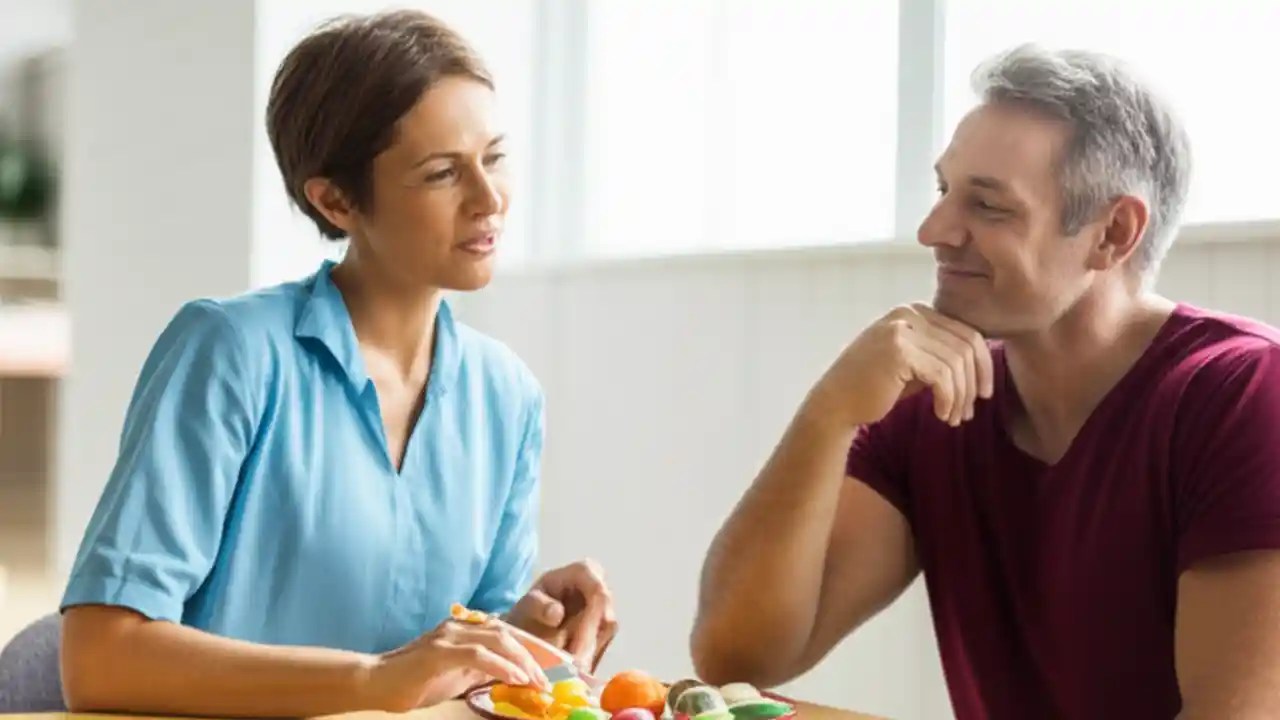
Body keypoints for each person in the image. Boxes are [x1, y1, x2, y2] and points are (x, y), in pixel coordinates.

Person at [692, 44, 1280, 719]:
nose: (933, 230)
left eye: (990, 207)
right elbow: (739, 661)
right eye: (944, 191)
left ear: (1113, 233)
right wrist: (830, 414)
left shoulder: (1245, 395)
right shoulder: (933, 410)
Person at [58, 10, 616, 717]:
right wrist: (371, 679)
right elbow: (100, 659)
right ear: (335, 199)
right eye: (444, 172)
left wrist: (524, 632)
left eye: (494, 157)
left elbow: (452, 671)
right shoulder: (231, 351)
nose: (490, 198)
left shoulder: (506, 395)